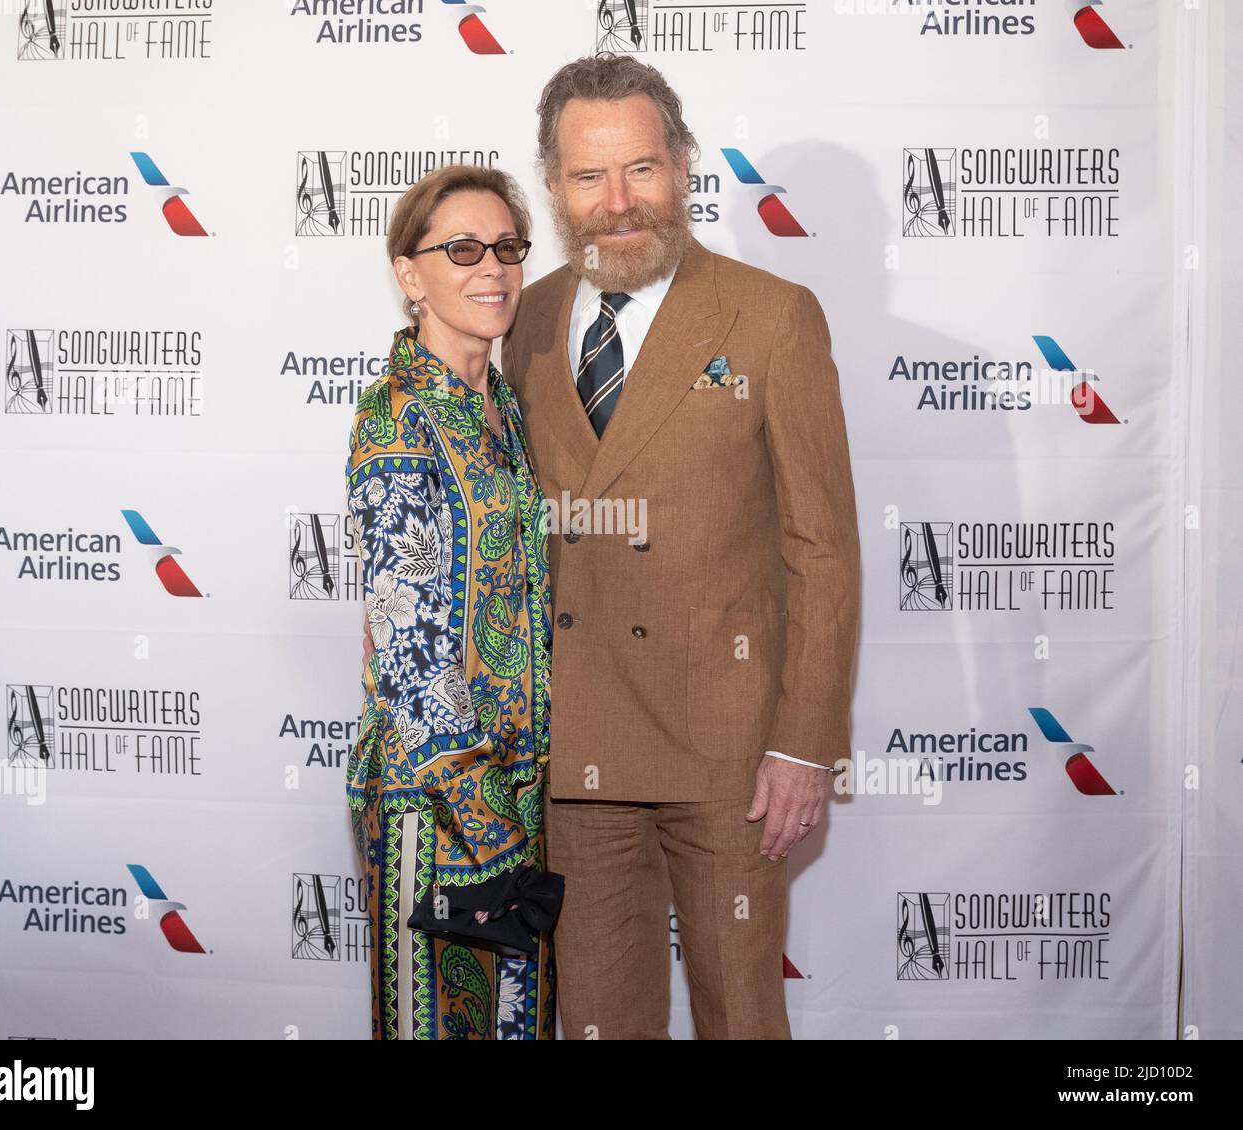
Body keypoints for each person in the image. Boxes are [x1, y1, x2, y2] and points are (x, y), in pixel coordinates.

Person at [498, 55, 862, 1039]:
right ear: (554, 183)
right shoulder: (525, 318)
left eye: (641, 170)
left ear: (685, 164)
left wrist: (802, 741)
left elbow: (821, 548)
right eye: (587, 177)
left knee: (741, 1014)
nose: (618, 203)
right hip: (578, 751)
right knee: (597, 1020)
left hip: (730, 752)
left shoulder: (772, 317)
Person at [344, 164, 555, 1040]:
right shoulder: (397, 417)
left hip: (518, 789)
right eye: (462, 249)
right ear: (409, 275)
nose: (494, 268)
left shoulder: (500, 404)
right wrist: (490, 827)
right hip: (435, 805)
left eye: (508, 247)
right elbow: (409, 651)